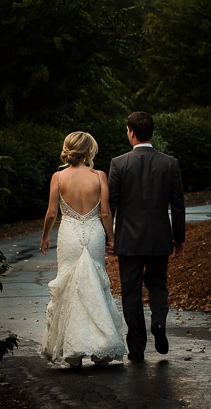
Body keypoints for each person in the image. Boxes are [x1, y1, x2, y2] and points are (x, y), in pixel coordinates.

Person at [39, 131, 126, 368]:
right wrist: (111, 238)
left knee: (70, 284)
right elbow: (105, 212)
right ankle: (101, 350)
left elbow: (52, 213)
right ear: (89, 151)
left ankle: (73, 353)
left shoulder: (58, 177)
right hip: (94, 232)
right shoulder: (99, 176)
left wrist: (45, 236)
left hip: (69, 234)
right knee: (95, 282)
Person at [107, 112, 185, 362]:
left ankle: (137, 346)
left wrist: (109, 237)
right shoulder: (170, 163)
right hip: (159, 238)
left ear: (131, 132)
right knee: (158, 284)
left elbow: (110, 205)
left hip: (128, 240)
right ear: (151, 132)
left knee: (131, 292)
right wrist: (179, 238)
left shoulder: (119, 164)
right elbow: (178, 206)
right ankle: (159, 322)